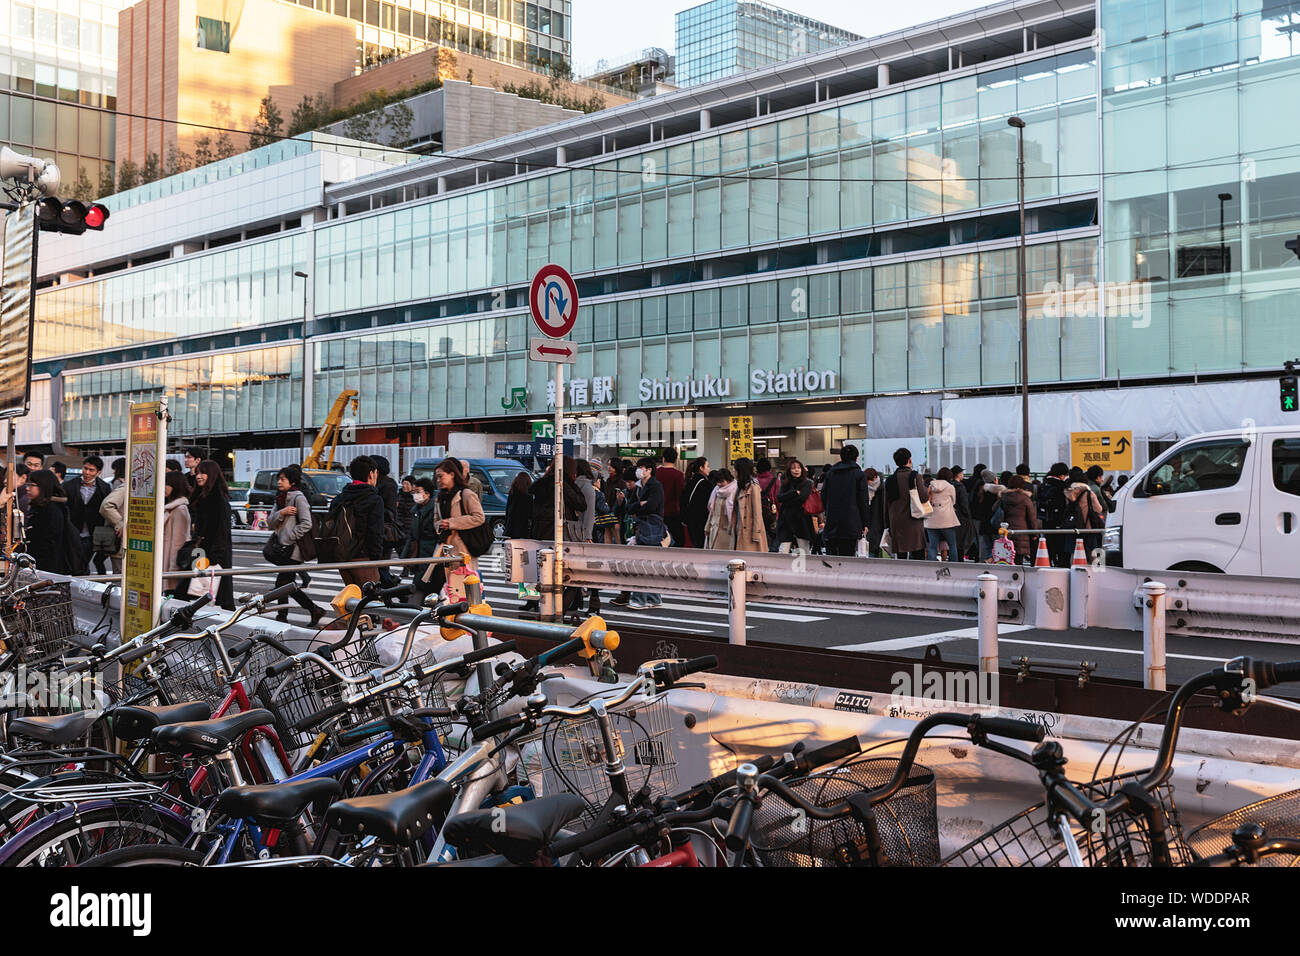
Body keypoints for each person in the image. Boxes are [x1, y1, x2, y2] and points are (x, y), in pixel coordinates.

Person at [268, 465, 327, 625]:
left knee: (282, 584)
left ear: (292, 481)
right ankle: (310, 610)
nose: (279, 482)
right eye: (278, 479)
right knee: (284, 584)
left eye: (282, 479)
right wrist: (282, 512)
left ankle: (285, 617)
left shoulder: (298, 497)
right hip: (283, 548)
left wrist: (289, 537)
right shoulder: (280, 497)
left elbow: (307, 523)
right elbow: (270, 521)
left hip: (293, 549)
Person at [612, 458, 665, 609]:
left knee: (642, 564)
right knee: (648, 564)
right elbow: (630, 508)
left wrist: (638, 507)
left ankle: (640, 599)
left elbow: (651, 506)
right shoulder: (641, 486)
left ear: (649, 470)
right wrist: (639, 505)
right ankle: (654, 598)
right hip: (644, 527)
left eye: (642, 467)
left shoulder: (654, 486)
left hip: (650, 527)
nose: (639, 470)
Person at [326, 456, 385, 589]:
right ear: (371, 474)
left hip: (342, 557)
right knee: (370, 601)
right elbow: (375, 532)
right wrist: (376, 558)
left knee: (352, 598)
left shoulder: (340, 498)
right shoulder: (374, 499)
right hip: (363, 558)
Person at [188, 460, 236, 609]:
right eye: (197, 473)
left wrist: (215, 554)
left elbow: (223, 529)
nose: (198, 476)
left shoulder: (218, 498)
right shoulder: (203, 496)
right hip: (203, 549)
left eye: (203, 473)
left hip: (216, 551)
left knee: (219, 588)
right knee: (204, 587)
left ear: (212, 475)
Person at [433, 456, 486, 575]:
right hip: (444, 546)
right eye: (437, 477)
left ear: (452, 474)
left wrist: (451, 523)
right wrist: (440, 525)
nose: (438, 480)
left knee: (464, 587)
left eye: (441, 476)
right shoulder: (440, 497)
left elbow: (479, 517)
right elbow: (436, 519)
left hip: (464, 547)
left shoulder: (466, 494)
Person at [63, 455, 113, 575]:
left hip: (93, 532)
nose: (87, 472)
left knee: (84, 560)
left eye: (91, 470)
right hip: (72, 530)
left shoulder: (104, 488)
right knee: (74, 562)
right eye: (85, 468)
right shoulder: (69, 485)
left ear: (98, 472)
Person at [822, 444, 870, 556]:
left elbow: (823, 495)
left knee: (832, 558)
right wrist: (865, 523)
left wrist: (829, 511)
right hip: (851, 523)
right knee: (847, 556)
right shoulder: (859, 475)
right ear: (856, 458)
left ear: (841, 457)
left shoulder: (830, 474)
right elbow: (863, 500)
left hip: (832, 523)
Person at [883, 448, 929, 560]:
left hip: (896, 522)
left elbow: (885, 504)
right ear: (909, 460)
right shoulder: (915, 476)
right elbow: (924, 497)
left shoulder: (890, 479)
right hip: (913, 521)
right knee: (918, 555)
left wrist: (887, 523)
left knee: (901, 557)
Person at [25, 471, 71, 573]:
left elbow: (49, 543)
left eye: (32, 485)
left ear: (43, 486)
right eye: (27, 484)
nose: (27, 488)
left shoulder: (51, 510)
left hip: (46, 567)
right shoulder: (40, 507)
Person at [404, 477, 441, 604]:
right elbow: (412, 536)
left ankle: (412, 614)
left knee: (422, 586)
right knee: (423, 585)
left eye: (418, 491)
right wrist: (405, 557)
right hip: (420, 554)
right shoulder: (416, 510)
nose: (415, 495)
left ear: (427, 493)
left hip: (431, 553)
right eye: (414, 492)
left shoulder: (435, 509)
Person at [161, 471, 192, 596]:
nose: (163, 488)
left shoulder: (180, 509)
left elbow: (179, 542)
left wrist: (173, 569)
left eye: (166, 484)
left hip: (171, 565)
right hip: (166, 562)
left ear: (175, 486)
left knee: (173, 598)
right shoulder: (170, 507)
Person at [371, 454, 400, 588]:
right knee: (379, 566)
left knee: (381, 566)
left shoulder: (388, 485)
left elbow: (390, 510)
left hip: (384, 531)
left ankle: (396, 590)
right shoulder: (379, 483)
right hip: (379, 529)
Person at [1036, 462, 1073, 567]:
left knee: (1049, 546)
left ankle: (1051, 564)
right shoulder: (1061, 487)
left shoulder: (1043, 485)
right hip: (1059, 522)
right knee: (1061, 550)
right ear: (1061, 475)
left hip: (1046, 521)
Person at [776, 458, 813, 554]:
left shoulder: (807, 482)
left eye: (798, 468)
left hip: (802, 520)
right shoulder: (785, 483)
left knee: (804, 550)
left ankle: (806, 569)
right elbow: (779, 497)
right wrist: (795, 493)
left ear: (802, 469)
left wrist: (787, 497)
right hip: (786, 520)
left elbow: (802, 498)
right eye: (793, 468)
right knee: (783, 550)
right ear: (789, 470)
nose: (796, 470)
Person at [731, 457, 769, 553]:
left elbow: (757, 512)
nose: (733, 471)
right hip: (740, 529)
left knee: (749, 562)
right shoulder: (741, 486)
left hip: (749, 531)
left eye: (735, 469)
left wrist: (756, 534)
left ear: (741, 470)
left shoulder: (753, 487)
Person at [1000, 475, 1040, 564]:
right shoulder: (1025, 498)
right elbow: (1032, 518)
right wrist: (1034, 533)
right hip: (1021, 532)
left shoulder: (1003, 497)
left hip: (1006, 530)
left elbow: (994, 509)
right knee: (1018, 558)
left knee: (1007, 556)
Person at [924, 467, 962, 561]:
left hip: (931, 520)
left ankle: (931, 568)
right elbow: (953, 502)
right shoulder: (950, 487)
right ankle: (953, 567)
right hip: (947, 519)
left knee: (933, 546)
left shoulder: (931, 486)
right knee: (952, 545)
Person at [655, 448, 685, 546]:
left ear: (663, 459)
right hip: (673, 513)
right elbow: (681, 494)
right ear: (676, 460)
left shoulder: (656, 472)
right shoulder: (679, 475)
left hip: (657, 512)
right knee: (677, 541)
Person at [99, 479, 128, 574]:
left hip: (129, 545)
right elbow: (106, 506)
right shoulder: (126, 489)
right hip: (121, 544)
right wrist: (119, 523)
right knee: (120, 578)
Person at [682, 457, 712, 549]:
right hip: (701, 522)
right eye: (707, 466)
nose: (709, 468)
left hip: (690, 521)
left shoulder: (690, 481)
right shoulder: (705, 484)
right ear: (701, 468)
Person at [704, 469, 736, 549]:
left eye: (722, 482)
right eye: (717, 482)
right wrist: (707, 526)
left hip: (727, 530)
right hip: (714, 528)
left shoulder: (735, 490)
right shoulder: (716, 491)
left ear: (729, 480)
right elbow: (712, 511)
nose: (719, 484)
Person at [755, 457, 779, 551]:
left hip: (757, 514)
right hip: (771, 513)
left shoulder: (754, 481)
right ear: (769, 468)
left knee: (761, 536)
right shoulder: (775, 481)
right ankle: (772, 553)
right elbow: (778, 499)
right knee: (774, 536)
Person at [951, 465, 975, 561]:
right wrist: (968, 515)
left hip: (952, 515)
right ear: (958, 474)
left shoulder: (950, 485)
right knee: (961, 541)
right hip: (961, 517)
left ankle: (954, 559)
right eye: (961, 473)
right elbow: (964, 504)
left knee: (954, 541)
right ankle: (959, 560)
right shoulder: (960, 487)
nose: (963, 474)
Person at [504, 471, 533, 540]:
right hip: (524, 528)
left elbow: (508, 510)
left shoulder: (512, 493)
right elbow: (530, 512)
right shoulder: (528, 496)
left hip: (512, 527)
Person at [396, 476, 416, 551]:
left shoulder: (415, 497)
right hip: (399, 527)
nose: (404, 486)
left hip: (410, 527)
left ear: (412, 486)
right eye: (403, 483)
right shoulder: (399, 495)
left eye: (407, 484)